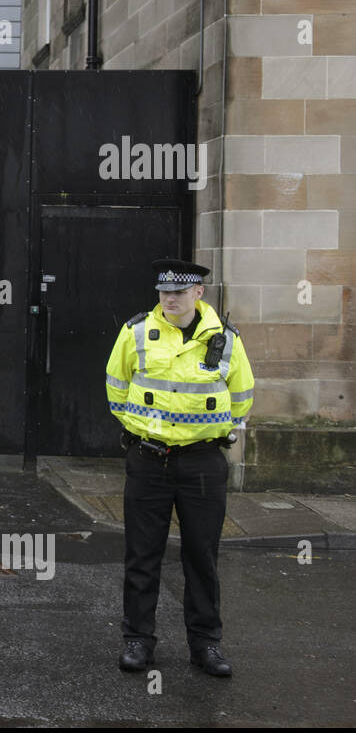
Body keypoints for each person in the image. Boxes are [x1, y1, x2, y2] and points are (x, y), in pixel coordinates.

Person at [105, 259, 254, 677]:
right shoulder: (136, 332)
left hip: (203, 461)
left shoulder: (225, 338)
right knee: (141, 554)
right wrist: (141, 431)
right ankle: (137, 639)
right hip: (149, 458)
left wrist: (211, 433)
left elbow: (241, 396)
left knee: (202, 556)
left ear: (198, 293)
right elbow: (116, 387)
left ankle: (206, 644)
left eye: (179, 291)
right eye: (164, 291)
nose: (169, 298)